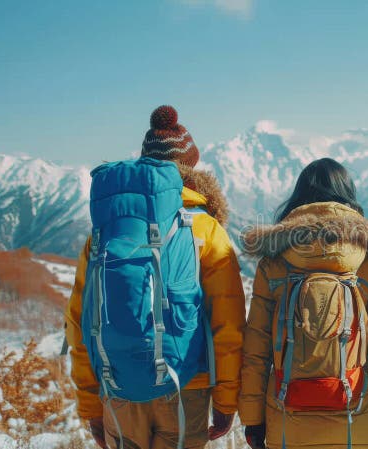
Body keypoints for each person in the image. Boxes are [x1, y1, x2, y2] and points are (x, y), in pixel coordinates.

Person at [66, 105, 246, 449]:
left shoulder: (104, 232)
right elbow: (228, 324)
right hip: (186, 386)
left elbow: (79, 321)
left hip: (117, 386)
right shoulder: (205, 229)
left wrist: (91, 405)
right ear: (191, 167)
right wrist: (225, 400)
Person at [238, 158, 368, 449]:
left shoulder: (273, 264)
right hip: (357, 418)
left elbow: (256, 351)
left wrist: (253, 420)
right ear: (348, 197)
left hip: (286, 419)